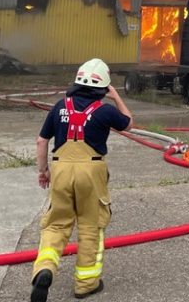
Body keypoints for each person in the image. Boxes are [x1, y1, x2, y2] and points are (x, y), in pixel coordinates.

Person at [30, 58, 133, 302]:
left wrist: (43, 171)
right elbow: (129, 123)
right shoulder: (105, 110)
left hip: (61, 170)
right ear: (103, 87)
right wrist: (116, 97)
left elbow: (41, 141)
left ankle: (44, 268)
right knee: (90, 226)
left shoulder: (59, 107)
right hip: (91, 171)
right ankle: (86, 284)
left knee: (56, 224)